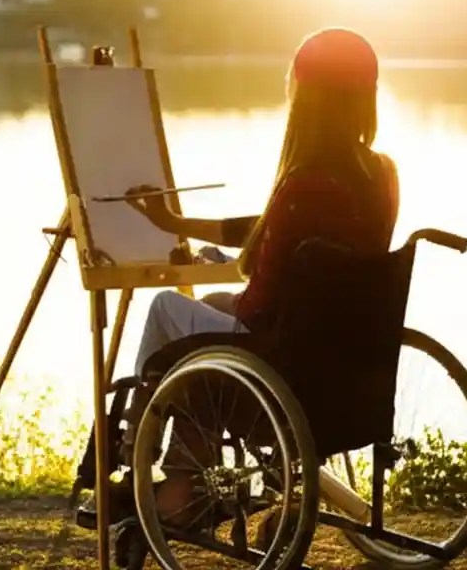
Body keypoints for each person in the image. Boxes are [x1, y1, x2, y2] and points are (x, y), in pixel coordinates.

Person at [115, 27, 401, 526]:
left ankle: (144, 451)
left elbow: (255, 273)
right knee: (214, 303)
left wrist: (210, 251)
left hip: (280, 356)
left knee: (166, 310)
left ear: (308, 99)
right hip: (344, 357)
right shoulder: (381, 174)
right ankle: (187, 463)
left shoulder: (303, 185)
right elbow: (266, 231)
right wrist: (177, 224)